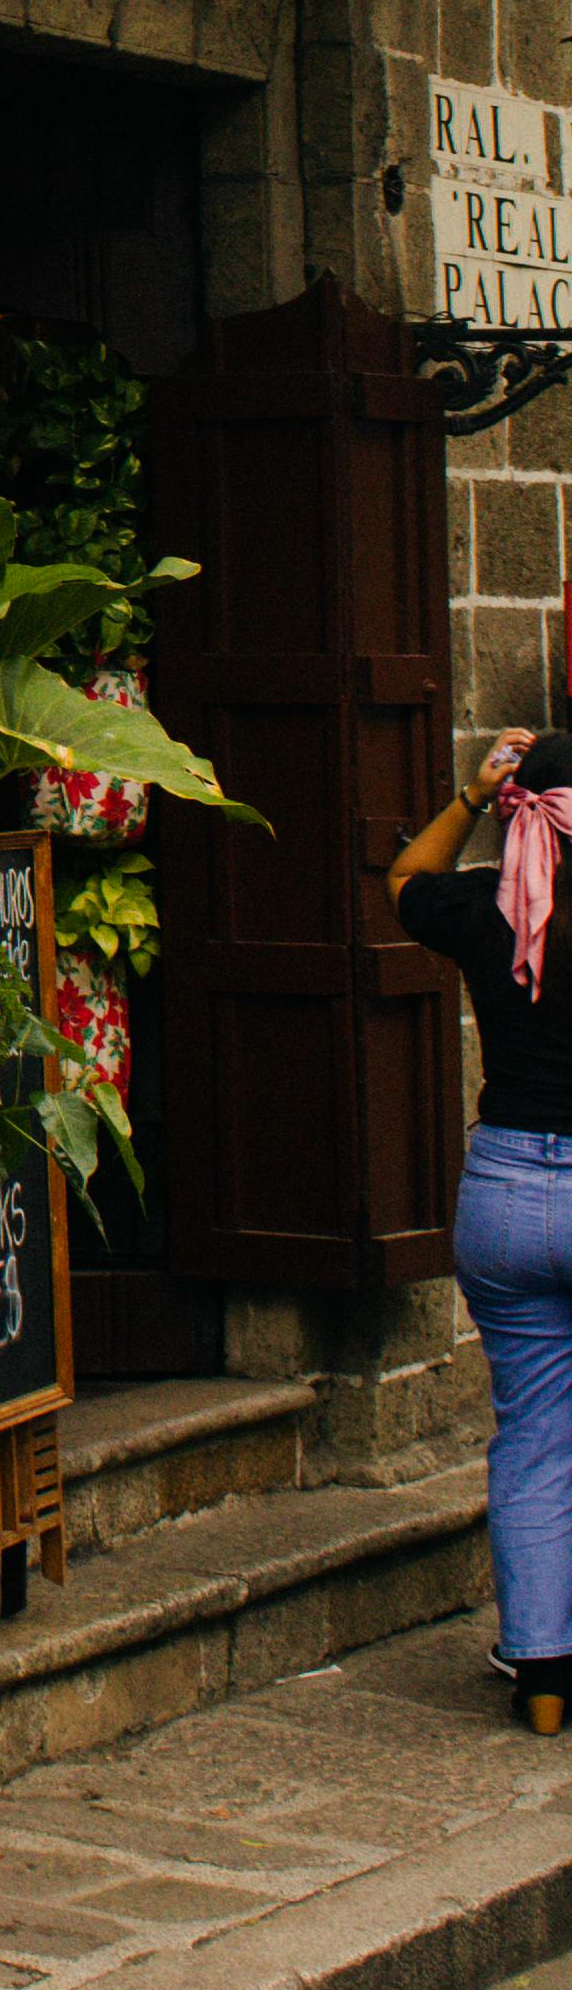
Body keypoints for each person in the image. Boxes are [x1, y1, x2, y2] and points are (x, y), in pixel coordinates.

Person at [390, 723, 572, 1736]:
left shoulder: (478, 911)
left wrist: (470, 792)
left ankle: (544, 1679)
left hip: (505, 1193)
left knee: (537, 1438)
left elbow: (403, 875)